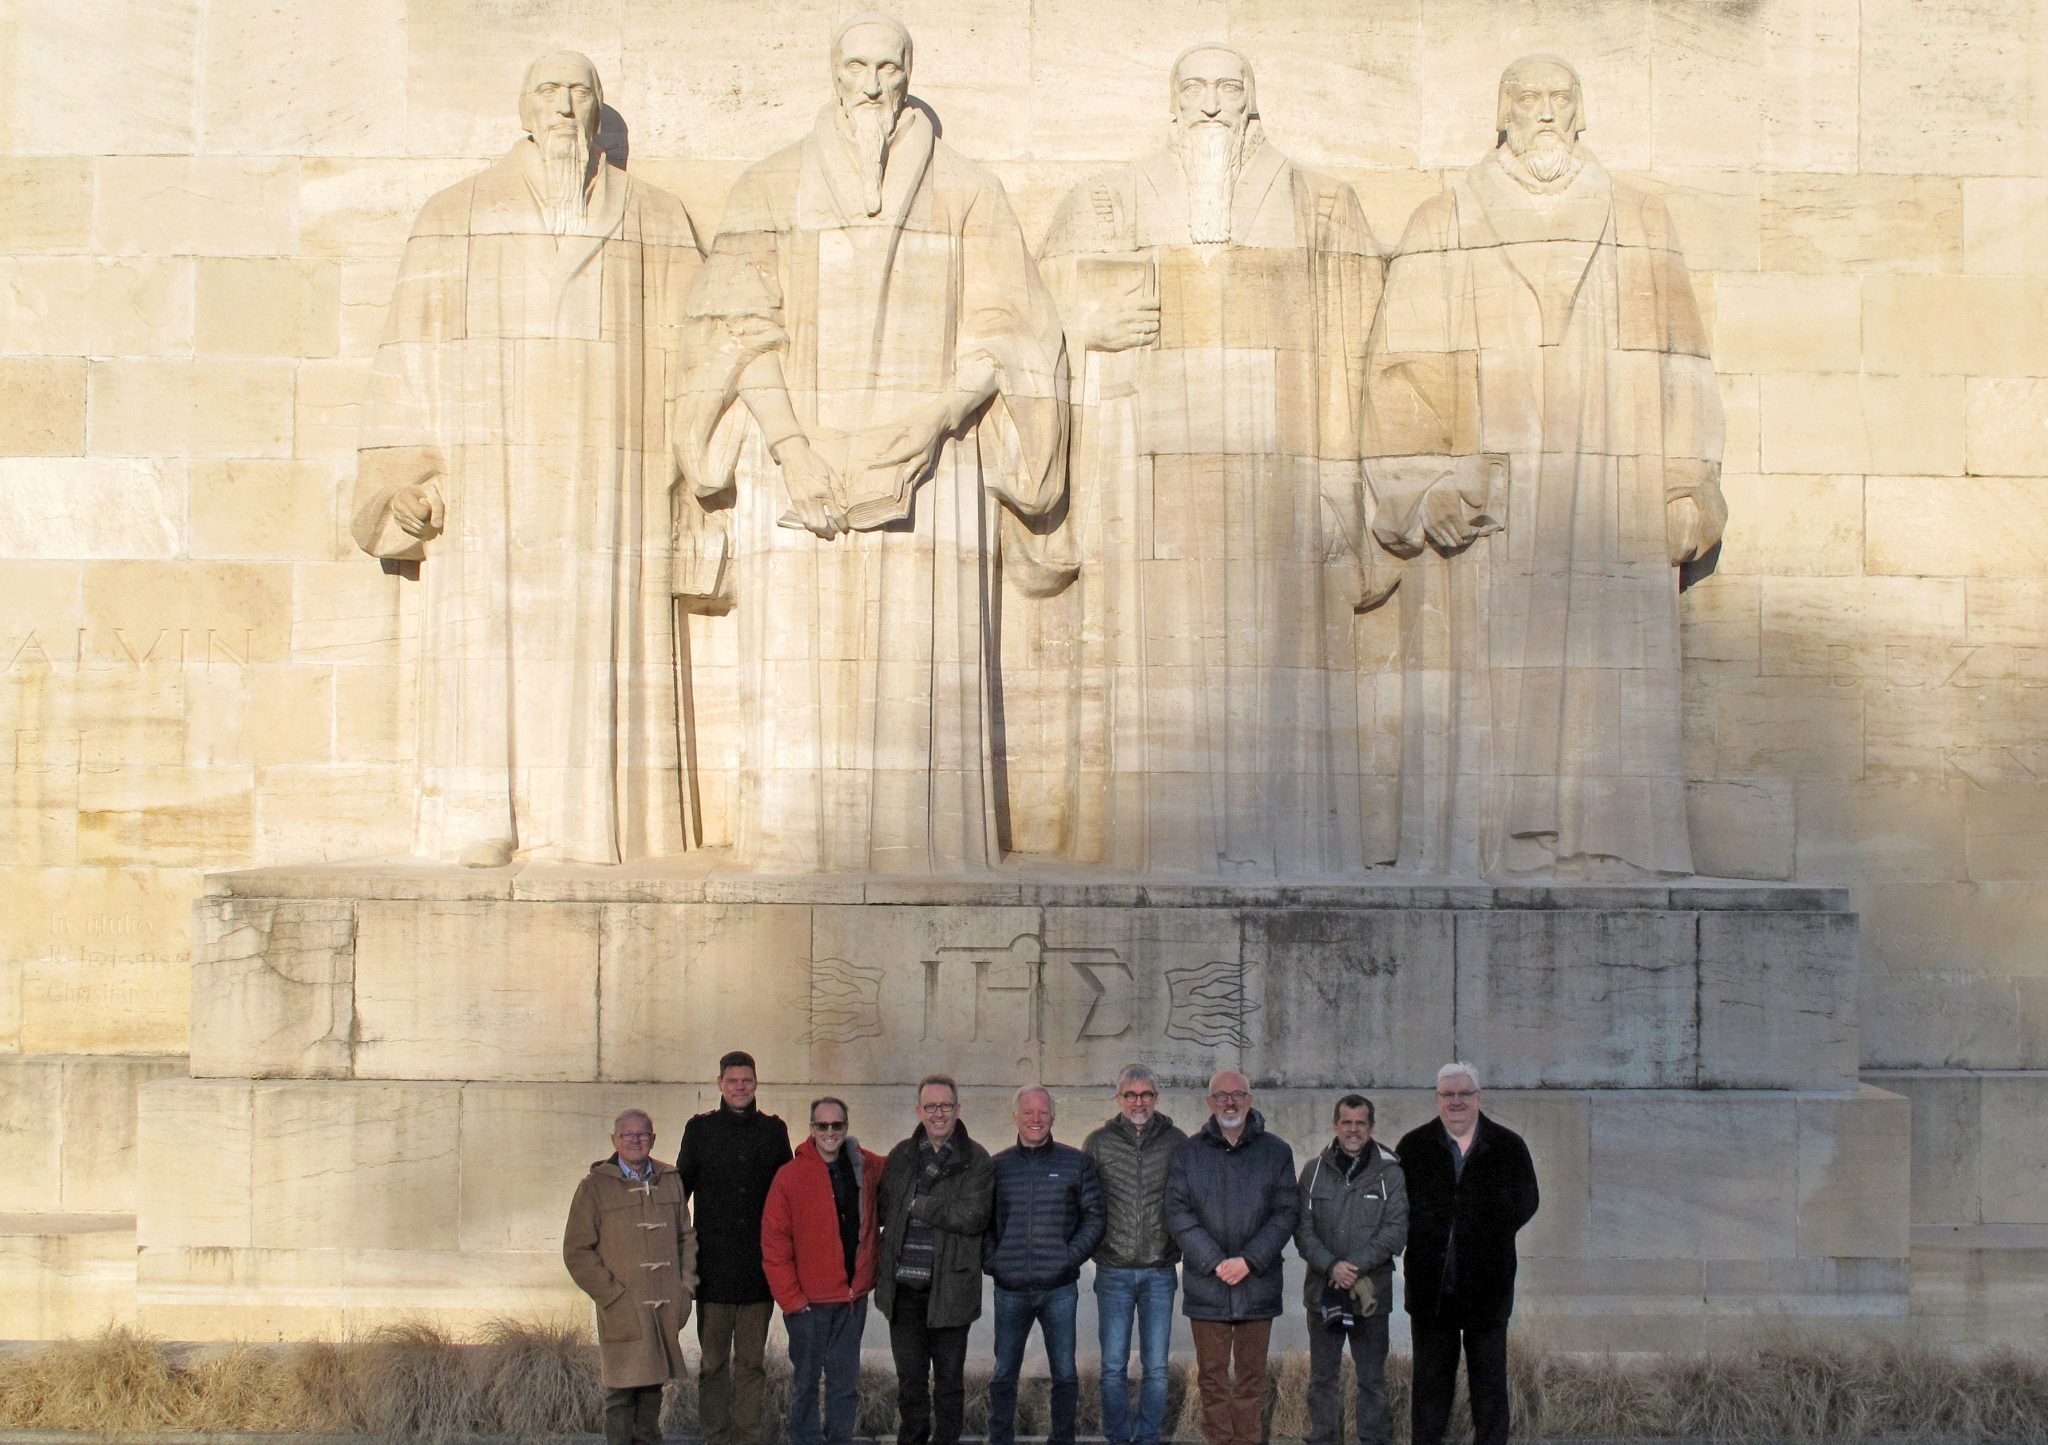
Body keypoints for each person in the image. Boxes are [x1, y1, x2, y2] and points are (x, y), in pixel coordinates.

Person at [674, 13, 1070, 872]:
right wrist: (790, 447)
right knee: (798, 683)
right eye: (855, 65)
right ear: (832, 73)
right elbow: (737, 328)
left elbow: (1008, 328)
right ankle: (793, 855)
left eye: (888, 66)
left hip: (935, 465)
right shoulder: (768, 185)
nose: (872, 82)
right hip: (796, 463)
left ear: (907, 74)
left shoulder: (969, 189)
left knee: (922, 682)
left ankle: (929, 855)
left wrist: (933, 422)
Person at [1363, 53, 1727, 879]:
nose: (1545, 114)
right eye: (1527, 100)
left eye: (1561, 100)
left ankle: (1616, 842)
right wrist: (1422, 489)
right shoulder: (1444, 220)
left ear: (1582, 115)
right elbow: (1401, 375)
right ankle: (1496, 844)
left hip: (1613, 492)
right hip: (1497, 505)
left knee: (1613, 666)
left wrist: (1685, 483)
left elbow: (1682, 363)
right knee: (1492, 674)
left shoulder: (1640, 220)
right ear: (1502, 113)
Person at [1025, 43, 1387, 871]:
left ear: (1252, 101)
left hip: (1281, 477)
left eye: (1230, 88)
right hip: (1137, 476)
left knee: (1279, 665)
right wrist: (1084, 325)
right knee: (1144, 665)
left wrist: (1341, 479)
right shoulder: (1104, 201)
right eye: (1197, 89)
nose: (1213, 104)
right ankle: (1143, 843)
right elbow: (1033, 316)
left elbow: (1354, 353)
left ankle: (1286, 845)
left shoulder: (1323, 205)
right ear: (1173, 102)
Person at [352, 51, 702, 866]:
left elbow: (703, 355)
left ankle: (594, 828)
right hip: (490, 488)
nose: (565, 108)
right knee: (488, 644)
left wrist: (696, 480)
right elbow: (408, 359)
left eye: (581, 93)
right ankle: (482, 819)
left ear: (598, 110)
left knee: (601, 652)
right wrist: (402, 483)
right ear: (523, 108)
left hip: (613, 487)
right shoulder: (455, 216)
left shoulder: (654, 217)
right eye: (549, 91)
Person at [1397, 1064, 1540, 1445]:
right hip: (1431, 1290)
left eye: (1464, 1094)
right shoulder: (1413, 1147)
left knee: (1489, 1386)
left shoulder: (1508, 1146)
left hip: (1488, 1289)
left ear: (1478, 1097)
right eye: (1448, 1094)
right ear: (1438, 1099)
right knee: (1430, 1387)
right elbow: (1398, 1208)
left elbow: (1527, 1201)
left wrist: (1485, 1233)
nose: (1456, 1101)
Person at [1164, 1071, 1297, 1445]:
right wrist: (1215, 1261)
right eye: (1221, 1096)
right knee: (1212, 1377)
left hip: (1258, 1281)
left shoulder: (1276, 1151)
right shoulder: (1188, 1153)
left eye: (1238, 1095)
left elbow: (1286, 1212)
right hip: (1208, 1282)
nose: (1230, 1102)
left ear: (1250, 1100)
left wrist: (1249, 1261)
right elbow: (1177, 1211)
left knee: (1252, 1378)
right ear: (1210, 1103)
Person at [563, 1109, 698, 1445]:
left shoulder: (669, 1179)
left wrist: (685, 1290)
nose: (635, 1140)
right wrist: (611, 1295)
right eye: (627, 1135)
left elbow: (686, 1237)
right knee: (621, 1395)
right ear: (615, 1140)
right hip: (622, 1306)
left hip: (663, 1306)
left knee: (652, 1391)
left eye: (642, 1134)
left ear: (652, 1138)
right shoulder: (595, 1187)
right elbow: (577, 1250)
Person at [678, 1052, 792, 1445]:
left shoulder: (774, 1132)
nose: (740, 1087)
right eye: (733, 1080)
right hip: (712, 1271)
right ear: (720, 1084)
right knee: (711, 1365)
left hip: (759, 1272)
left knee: (751, 1365)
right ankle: (714, 1436)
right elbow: (678, 1196)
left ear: (756, 1083)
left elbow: (786, 1198)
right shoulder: (699, 1130)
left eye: (747, 1080)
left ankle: (748, 1437)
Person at [875, 1074, 994, 1445]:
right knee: (910, 1384)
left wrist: (920, 1205)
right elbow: (884, 1210)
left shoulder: (976, 1159)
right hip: (904, 1292)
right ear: (918, 1110)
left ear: (958, 1109)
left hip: (951, 1290)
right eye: (931, 1106)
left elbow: (973, 1216)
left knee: (948, 1385)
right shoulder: (901, 1156)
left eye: (945, 1106)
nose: (938, 1113)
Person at [983, 1086, 1106, 1445]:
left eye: (1042, 1113)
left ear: (1053, 1117)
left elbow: (1095, 1218)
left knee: (1064, 1372)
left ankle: (1062, 1438)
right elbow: (984, 1224)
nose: (1035, 1120)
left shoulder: (1076, 1163)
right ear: (1015, 1117)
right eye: (1028, 1113)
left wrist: (1068, 1259)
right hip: (1010, 1289)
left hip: (1059, 1289)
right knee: (1004, 1372)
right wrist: (995, 1263)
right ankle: (1000, 1438)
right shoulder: (998, 1166)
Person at [762, 1098, 884, 1445]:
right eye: (822, 1126)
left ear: (846, 1127)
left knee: (844, 1386)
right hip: (808, 1306)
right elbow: (774, 1244)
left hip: (851, 1301)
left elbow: (903, 1169)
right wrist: (791, 1300)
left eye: (837, 1126)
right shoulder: (790, 1176)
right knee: (806, 1385)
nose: (830, 1132)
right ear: (811, 1129)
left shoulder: (865, 1165)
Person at [1082, 1064, 1188, 1445]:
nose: (1138, 1102)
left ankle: (1148, 1437)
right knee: (1112, 1366)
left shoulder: (1177, 1141)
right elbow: (1087, 1202)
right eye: (1131, 1095)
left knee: (1156, 1366)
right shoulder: (1098, 1142)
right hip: (1113, 1269)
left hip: (1160, 1270)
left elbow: (1185, 1200)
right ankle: (1117, 1436)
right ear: (1119, 1099)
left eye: (1145, 1095)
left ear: (1156, 1098)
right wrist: (1093, 1248)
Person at [1295, 1094, 1407, 1445]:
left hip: (1371, 1293)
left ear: (1371, 1127)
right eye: (1347, 1122)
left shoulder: (1390, 1172)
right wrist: (1331, 1265)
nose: (1353, 1130)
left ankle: (1372, 1440)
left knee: (1371, 1380)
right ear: (1336, 1125)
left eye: (1361, 1123)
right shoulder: (1313, 1172)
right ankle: (1324, 1437)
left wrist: (1352, 1267)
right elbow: (1302, 1229)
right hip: (1323, 1291)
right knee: (1322, 1378)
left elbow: (1396, 1229)